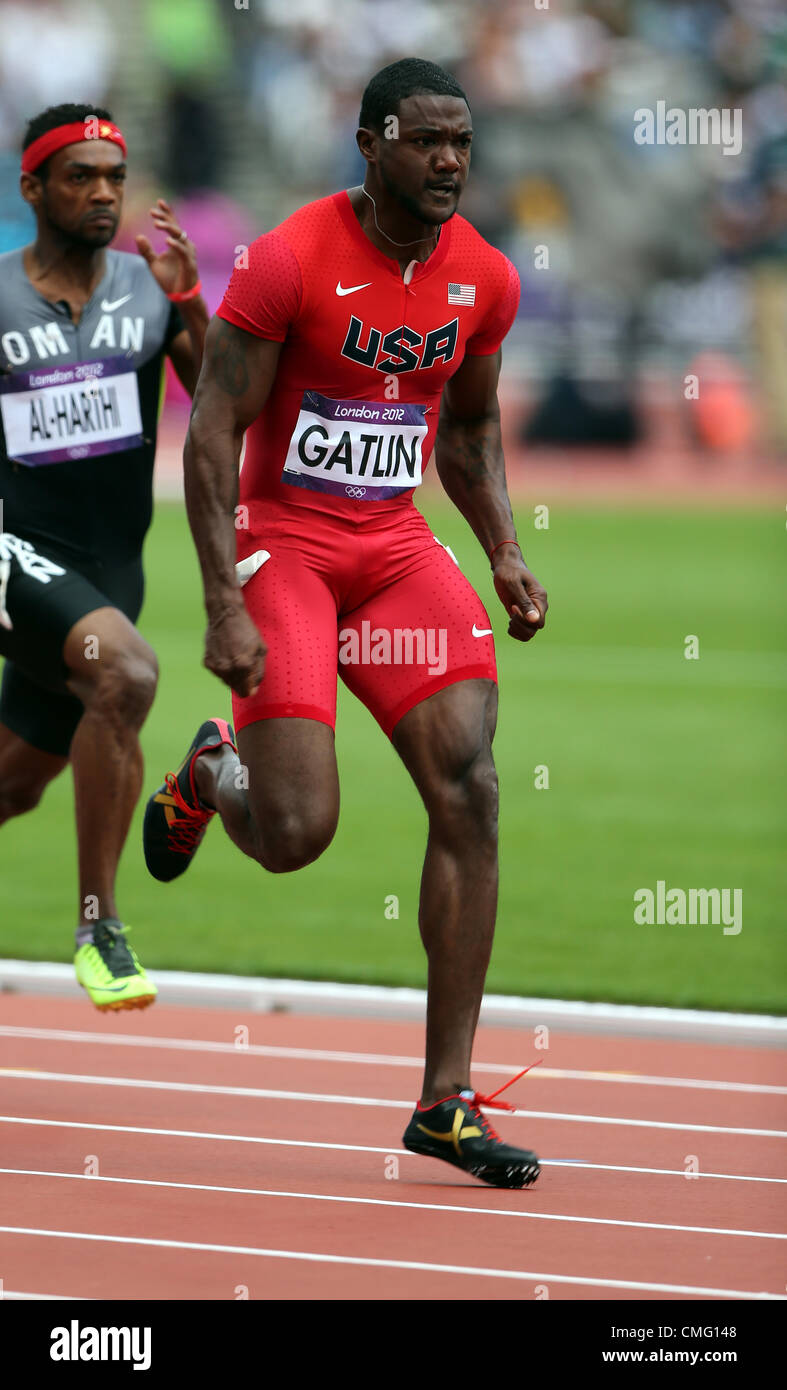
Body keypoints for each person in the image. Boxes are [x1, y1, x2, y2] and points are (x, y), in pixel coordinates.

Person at [144, 59, 548, 1187]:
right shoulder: (287, 260)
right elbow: (215, 432)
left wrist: (505, 549)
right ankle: (208, 775)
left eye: (462, 141)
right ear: (370, 145)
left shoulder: (484, 280)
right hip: (288, 544)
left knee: (469, 785)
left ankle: (445, 1099)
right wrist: (224, 597)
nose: (451, 162)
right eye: (426, 141)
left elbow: (465, 436)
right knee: (293, 833)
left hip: (394, 547)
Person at [0, 103, 207, 1010]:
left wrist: (191, 302)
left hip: (107, 569)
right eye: (79, 176)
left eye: (115, 178)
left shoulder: (150, 287)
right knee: (125, 673)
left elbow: (219, 405)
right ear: (33, 187)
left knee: (13, 782)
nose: (102, 193)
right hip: (11, 549)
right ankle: (100, 927)